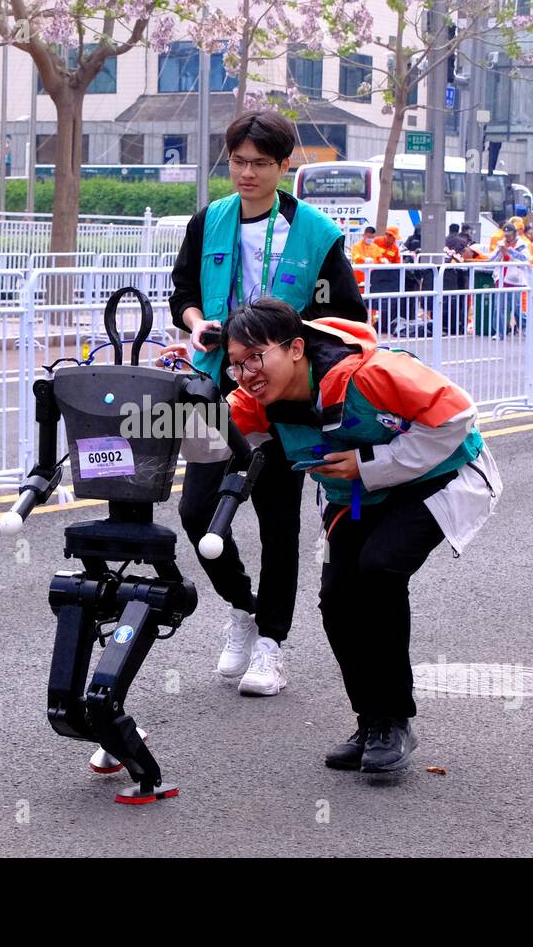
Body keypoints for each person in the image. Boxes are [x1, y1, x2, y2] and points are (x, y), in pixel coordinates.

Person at [217, 298, 502, 772]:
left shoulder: (371, 373)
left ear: (295, 348)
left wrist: (371, 464)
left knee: (380, 569)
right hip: (356, 496)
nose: (247, 373)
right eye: (236, 365)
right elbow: (206, 440)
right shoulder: (254, 401)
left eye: (256, 357)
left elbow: (457, 419)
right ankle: (369, 719)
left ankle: (394, 721)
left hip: (439, 477)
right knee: (337, 599)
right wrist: (164, 401)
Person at [168, 109, 367, 695]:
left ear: (285, 166)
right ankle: (243, 607)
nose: (246, 174)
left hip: (282, 392)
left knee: (279, 523)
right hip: (213, 384)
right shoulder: (208, 221)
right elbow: (181, 289)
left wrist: (283, 344)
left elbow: (348, 318)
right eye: (237, 162)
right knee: (195, 514)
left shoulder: (317, 234)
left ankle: (271, 644)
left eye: (260, 164)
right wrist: (198, 321)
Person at [488, 221, 533, 339]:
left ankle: (524, 327)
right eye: (505, 234)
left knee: (516, 307)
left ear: (514, 234)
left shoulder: (521, 245)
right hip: (501, 279)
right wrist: (500, 251)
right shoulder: (500, 244)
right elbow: (491, 259)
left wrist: (510, 251)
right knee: (499, 307)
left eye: (509, 234)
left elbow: (526, 260)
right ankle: (499, 332)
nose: (507, 237)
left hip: (515, 279)